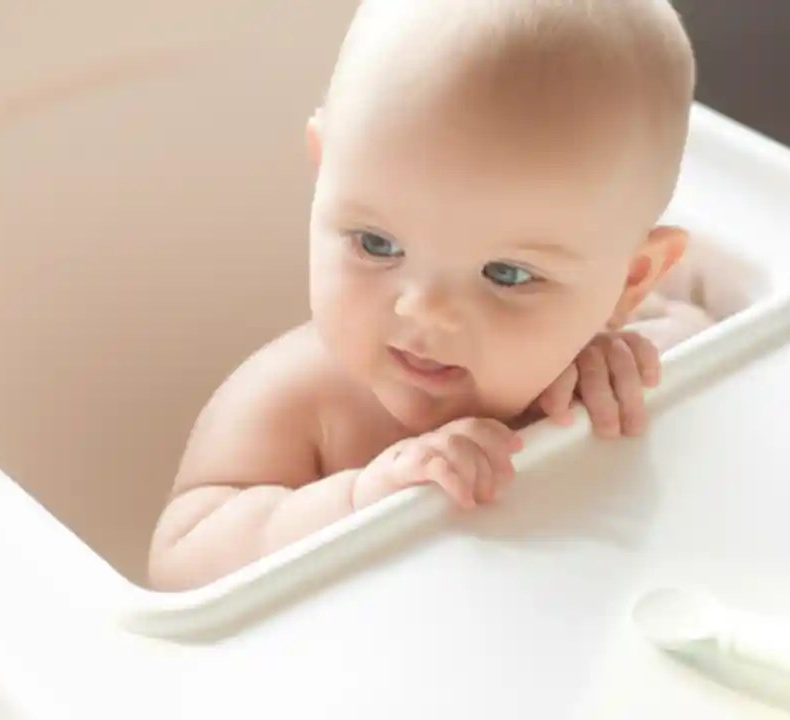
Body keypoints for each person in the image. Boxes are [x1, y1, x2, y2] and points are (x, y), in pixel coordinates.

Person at [147, 0, 711, 591]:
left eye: (508, 275)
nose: (424, 310)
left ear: (628, 282)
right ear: (324, 174)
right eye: (376, 242)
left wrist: (624, 357)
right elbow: (179, 561)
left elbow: (707, 340)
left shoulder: (587, 355)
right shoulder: (295, 401)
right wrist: (357, 502)